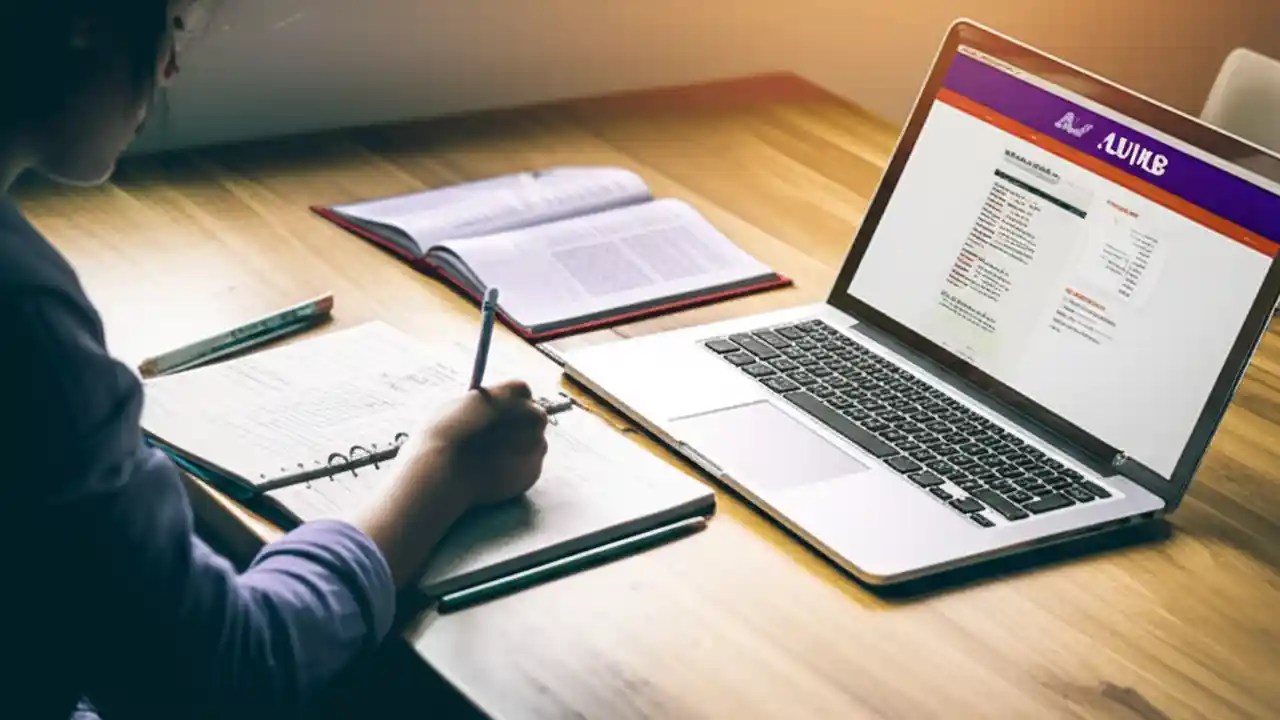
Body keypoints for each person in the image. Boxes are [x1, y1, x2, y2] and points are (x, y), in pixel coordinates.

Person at [0, 2, 550, 718]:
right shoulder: (25, 317)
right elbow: (225, 673)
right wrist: (445, 467)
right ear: (85, 18)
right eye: (168, 23)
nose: (168, 67)